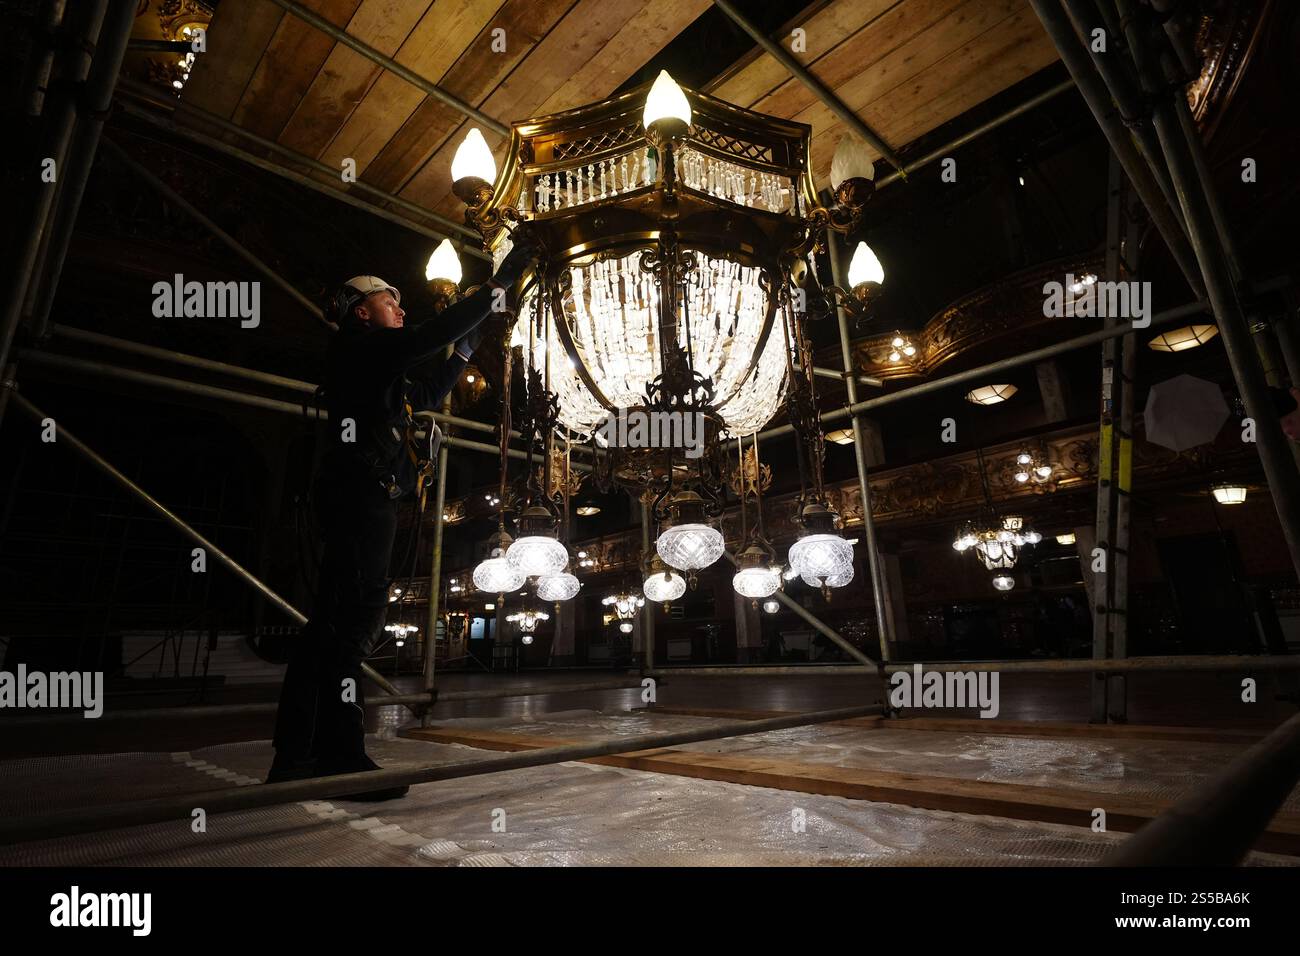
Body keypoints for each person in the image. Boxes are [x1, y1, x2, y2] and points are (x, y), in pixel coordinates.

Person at [266, 235, 539, 800]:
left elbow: (430, 386)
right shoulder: (360, 348)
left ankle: (301, 754)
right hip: (360, 498)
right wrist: (501, 280)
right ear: (361, 311)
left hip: (367, 498)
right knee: (348, 628)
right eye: (392, 299)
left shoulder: (373, 367)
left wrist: (467, 345)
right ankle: (336, 756)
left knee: (336, 628)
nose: (403, 306)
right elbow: (425, 338)